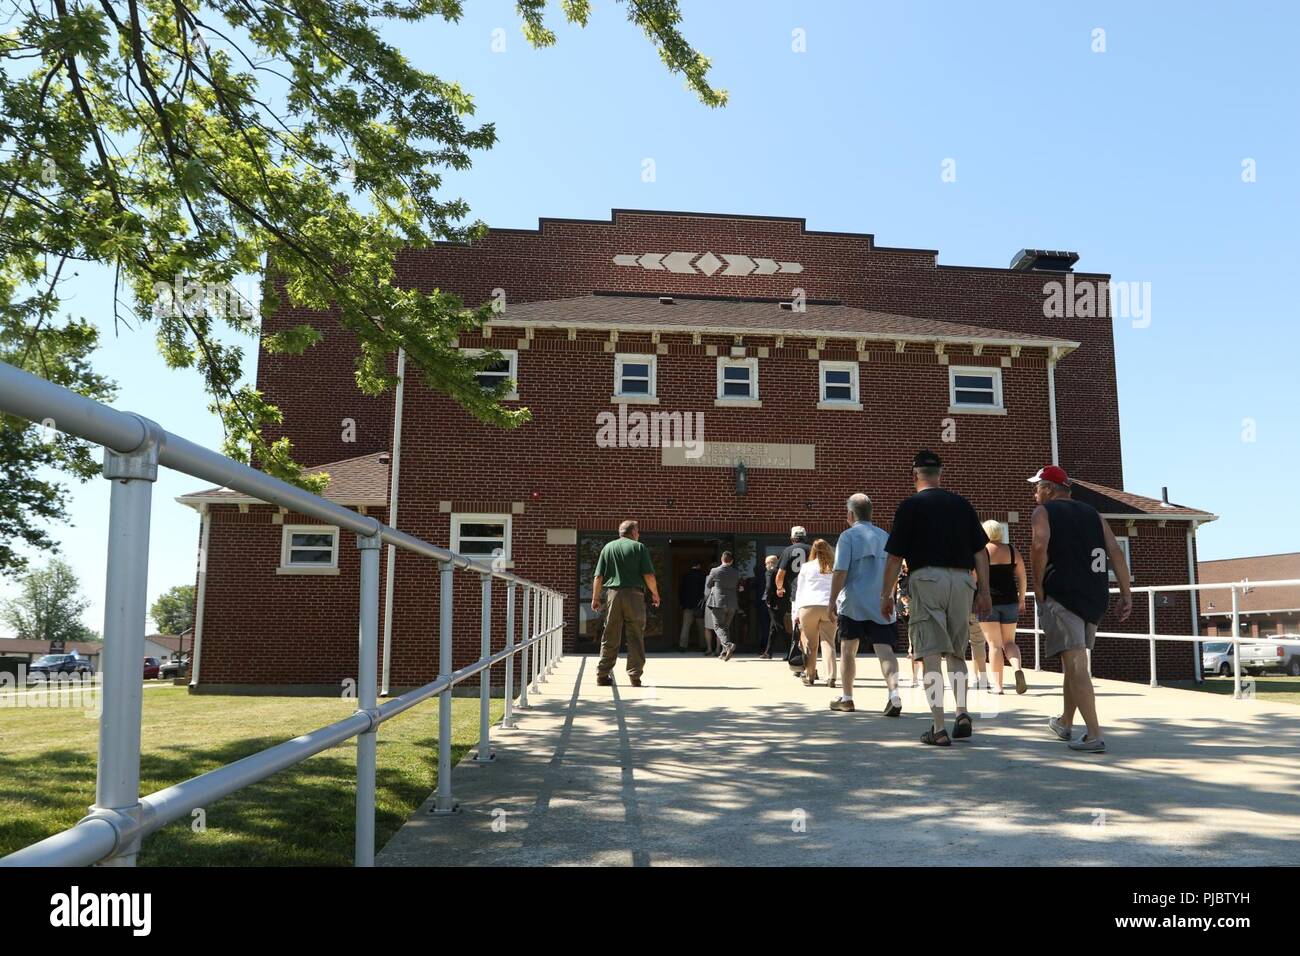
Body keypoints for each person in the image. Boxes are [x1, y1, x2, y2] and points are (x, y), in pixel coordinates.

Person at [880, 450, 992, 747]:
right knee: (957, 652)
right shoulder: (961, 504)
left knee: (930, 652)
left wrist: (886, 594)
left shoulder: (910, 506)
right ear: (940, 474)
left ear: (914, 475)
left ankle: (939, 727)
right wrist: (984, 592)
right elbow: (980, 551)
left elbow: (894, 557)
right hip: (962, 580)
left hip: (927, 578)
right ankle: (963, 712)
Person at [1029, 465, 1132, 753]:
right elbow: (1116, 552)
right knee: (1072, 662)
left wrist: (1037, 584)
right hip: (1095, 596)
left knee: (1076, 664)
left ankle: (1094, 734)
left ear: (1049, 488)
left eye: (1037, 487)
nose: (1035, 492)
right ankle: (1064, 721)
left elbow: (1040, 544)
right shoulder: (1094, 514)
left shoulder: (1043, 512)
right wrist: (1126, 593)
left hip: (1063, 595)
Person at [828, 493, 902, 715]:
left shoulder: (848, 536)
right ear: (871, 513)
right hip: (881, 601)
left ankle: (847, 698)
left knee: (848, 649)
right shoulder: (885, 536)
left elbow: (840, 571)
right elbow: (895, 568)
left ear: (850, 514)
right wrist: (888, 594)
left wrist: (831, 601)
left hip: (853, 602)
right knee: (885, 650)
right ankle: (894, 695)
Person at [591, 519, 661, 687]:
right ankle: (635, 676)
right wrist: (655, 594)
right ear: (633, 532)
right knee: (635, 636)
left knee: (610, 635)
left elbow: (598, 576)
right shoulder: (639, 547)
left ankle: (602, 674)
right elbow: (649, 575)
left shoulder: (608, 547)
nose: (639, 534)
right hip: (634, 595)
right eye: (638, 531)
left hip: (613, 595)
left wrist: (595, 597)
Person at [979, 519, 1029, 694]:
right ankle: (1017, 669)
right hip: (1010, 602)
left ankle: (998, 686)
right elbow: (1022, 576)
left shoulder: (981, 552)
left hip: (988, 604)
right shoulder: (1012, 550)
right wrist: (1021, 598)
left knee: (993, 645)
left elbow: (973, 578)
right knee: (1009, 642)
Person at [794, 539, 837, 687]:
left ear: (813, 550)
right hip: (829, 606)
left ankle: (810, 675)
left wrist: (796, 612)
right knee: (828, 643)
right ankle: (831, 677)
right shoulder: (834, 566)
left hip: (808, 606)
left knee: (811, 644)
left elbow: (800, 591)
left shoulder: (806, 567)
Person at [776, 526, 810, 673]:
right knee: (811, 631)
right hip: (813, 594)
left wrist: (779, 588)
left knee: (797, 628)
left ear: (792, 538)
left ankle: (798, 664)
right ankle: (810, 664)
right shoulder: (812, 549)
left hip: (797, 595)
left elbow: (780, 574)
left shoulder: (788, 551)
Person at [705, 551, 743, 660]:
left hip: (718, 602)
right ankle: (723, 652)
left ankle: (728, 645)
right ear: (731, 561)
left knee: (717, 626)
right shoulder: (736, 572)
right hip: (731, 603)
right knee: (725, 627)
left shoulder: (714, 570)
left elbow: (708, 585)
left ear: (722, 559)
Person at [760, 554, 787, 659]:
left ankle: (792, 650)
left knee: (779, 626)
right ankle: (768, 652)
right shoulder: (781, 572)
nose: (766, 565)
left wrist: (767, 599)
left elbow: (769, 586)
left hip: (773, 603)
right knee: (773, 628)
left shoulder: (770, 572)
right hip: (782, 602)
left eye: (766, 563)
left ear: (771, 563)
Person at [677, 560, 708, 654]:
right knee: (702, 627)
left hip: (688, 605)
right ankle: (703, 646)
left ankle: (682, 646)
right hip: (699, 606)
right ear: (699, 565)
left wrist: (682, 603)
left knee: (685, 626)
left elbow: (681, 591)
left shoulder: (685, 576)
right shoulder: (703, 576)